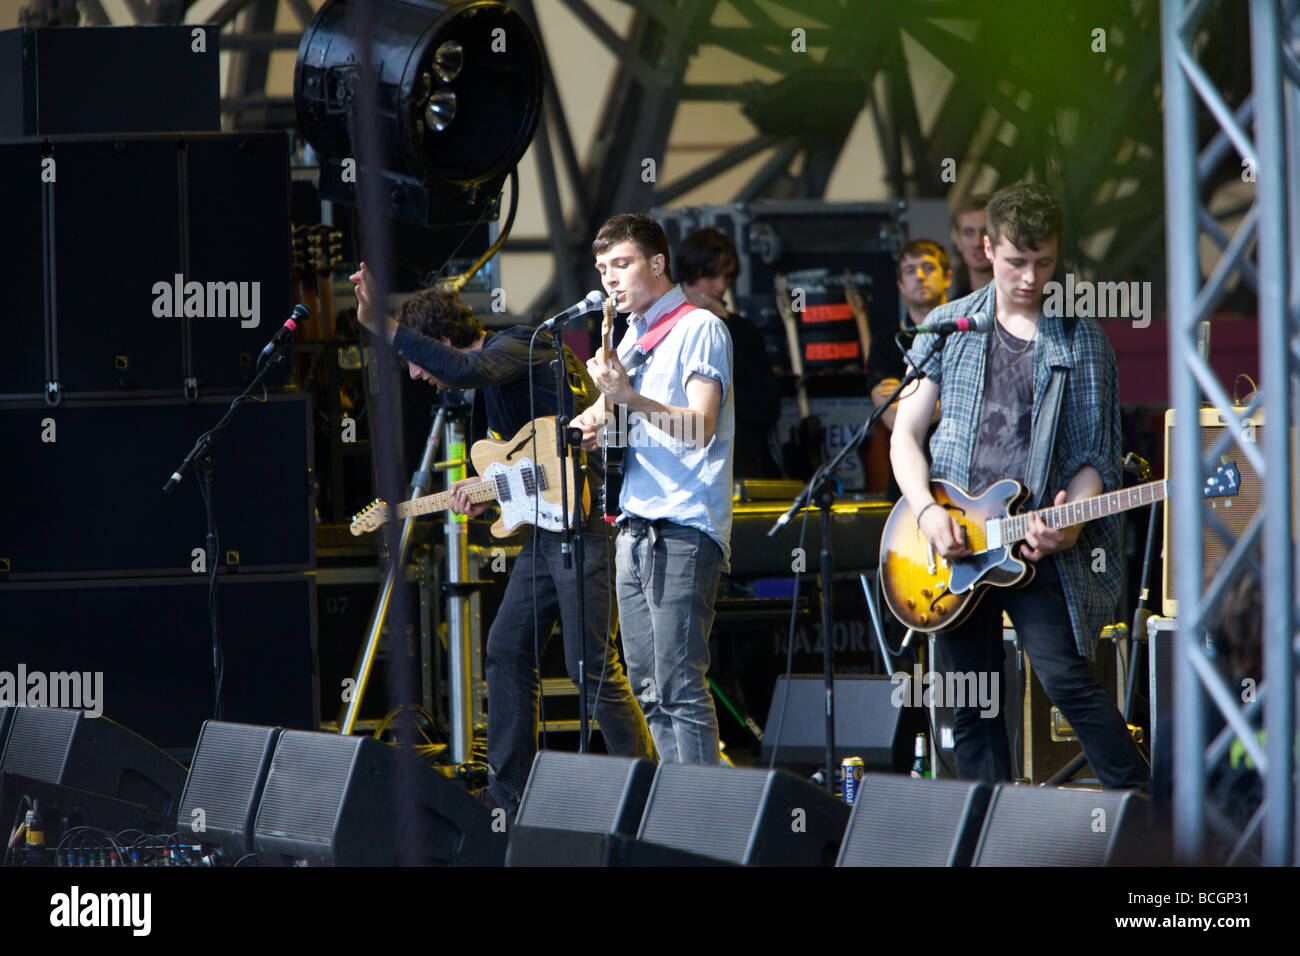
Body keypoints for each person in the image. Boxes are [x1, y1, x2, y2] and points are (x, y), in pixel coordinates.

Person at [350, 263, 653, 817]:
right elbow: (530, 461)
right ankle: (509, 796)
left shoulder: (520, 345)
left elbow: (473, 369)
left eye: (416, 360)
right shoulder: (490, 381)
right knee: (507, 648)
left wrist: (384, 325)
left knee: (591, 667)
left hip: (585, 526)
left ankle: (653, 792)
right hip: (545, 528)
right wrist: (494, 494)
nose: (416, 376)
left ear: (440, 341)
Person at [889, 182, 1147, 790]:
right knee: (973, 707)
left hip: (1031, 544)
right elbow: (905, 435)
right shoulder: (948, 326)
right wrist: (927, 513)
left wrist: (1072, 523)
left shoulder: (1082, 339)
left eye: (1044, 262)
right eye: (1016, 261)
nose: (1030, 277)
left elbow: (1095, 462)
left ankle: (1146, 812)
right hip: (947, 543)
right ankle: (989, 836)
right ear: (986, 246)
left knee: (1064, 679)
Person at [575, 213, 735, 765]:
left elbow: (700, 427)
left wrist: (629, 398)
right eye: (602, 270)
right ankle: (673, 817)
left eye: (621, 265)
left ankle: (701, 824)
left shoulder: (699, 328)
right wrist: (595, 425)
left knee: (680, 686)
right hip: (634, 525)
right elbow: (623, 422)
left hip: (684, 526)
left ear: (658, 263)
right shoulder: (632, 335)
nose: (610, 280)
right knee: (646, 686)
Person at [676, 227, 780, 479]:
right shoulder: (667, 328)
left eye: (728, 278)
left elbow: (767, 407)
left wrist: (727, 326)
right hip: (684, 465)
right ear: (689, 275)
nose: (721, 286)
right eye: (712, 276)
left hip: (741, 462)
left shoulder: (743, 331)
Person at [870, 238, 951, 432]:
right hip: (909, 457)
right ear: (901, 285)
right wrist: (952, 400)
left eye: (928, 268)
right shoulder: (885, 343)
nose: (920, 276)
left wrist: (910, 399)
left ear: (947, 277)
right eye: (910, 270)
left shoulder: (969, 333)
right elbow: (894, 419)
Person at [950, 193, 992, 298]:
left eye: (985, 231)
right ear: (958, 242)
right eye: (968, 233)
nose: (977, 243)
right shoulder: (953, 311)